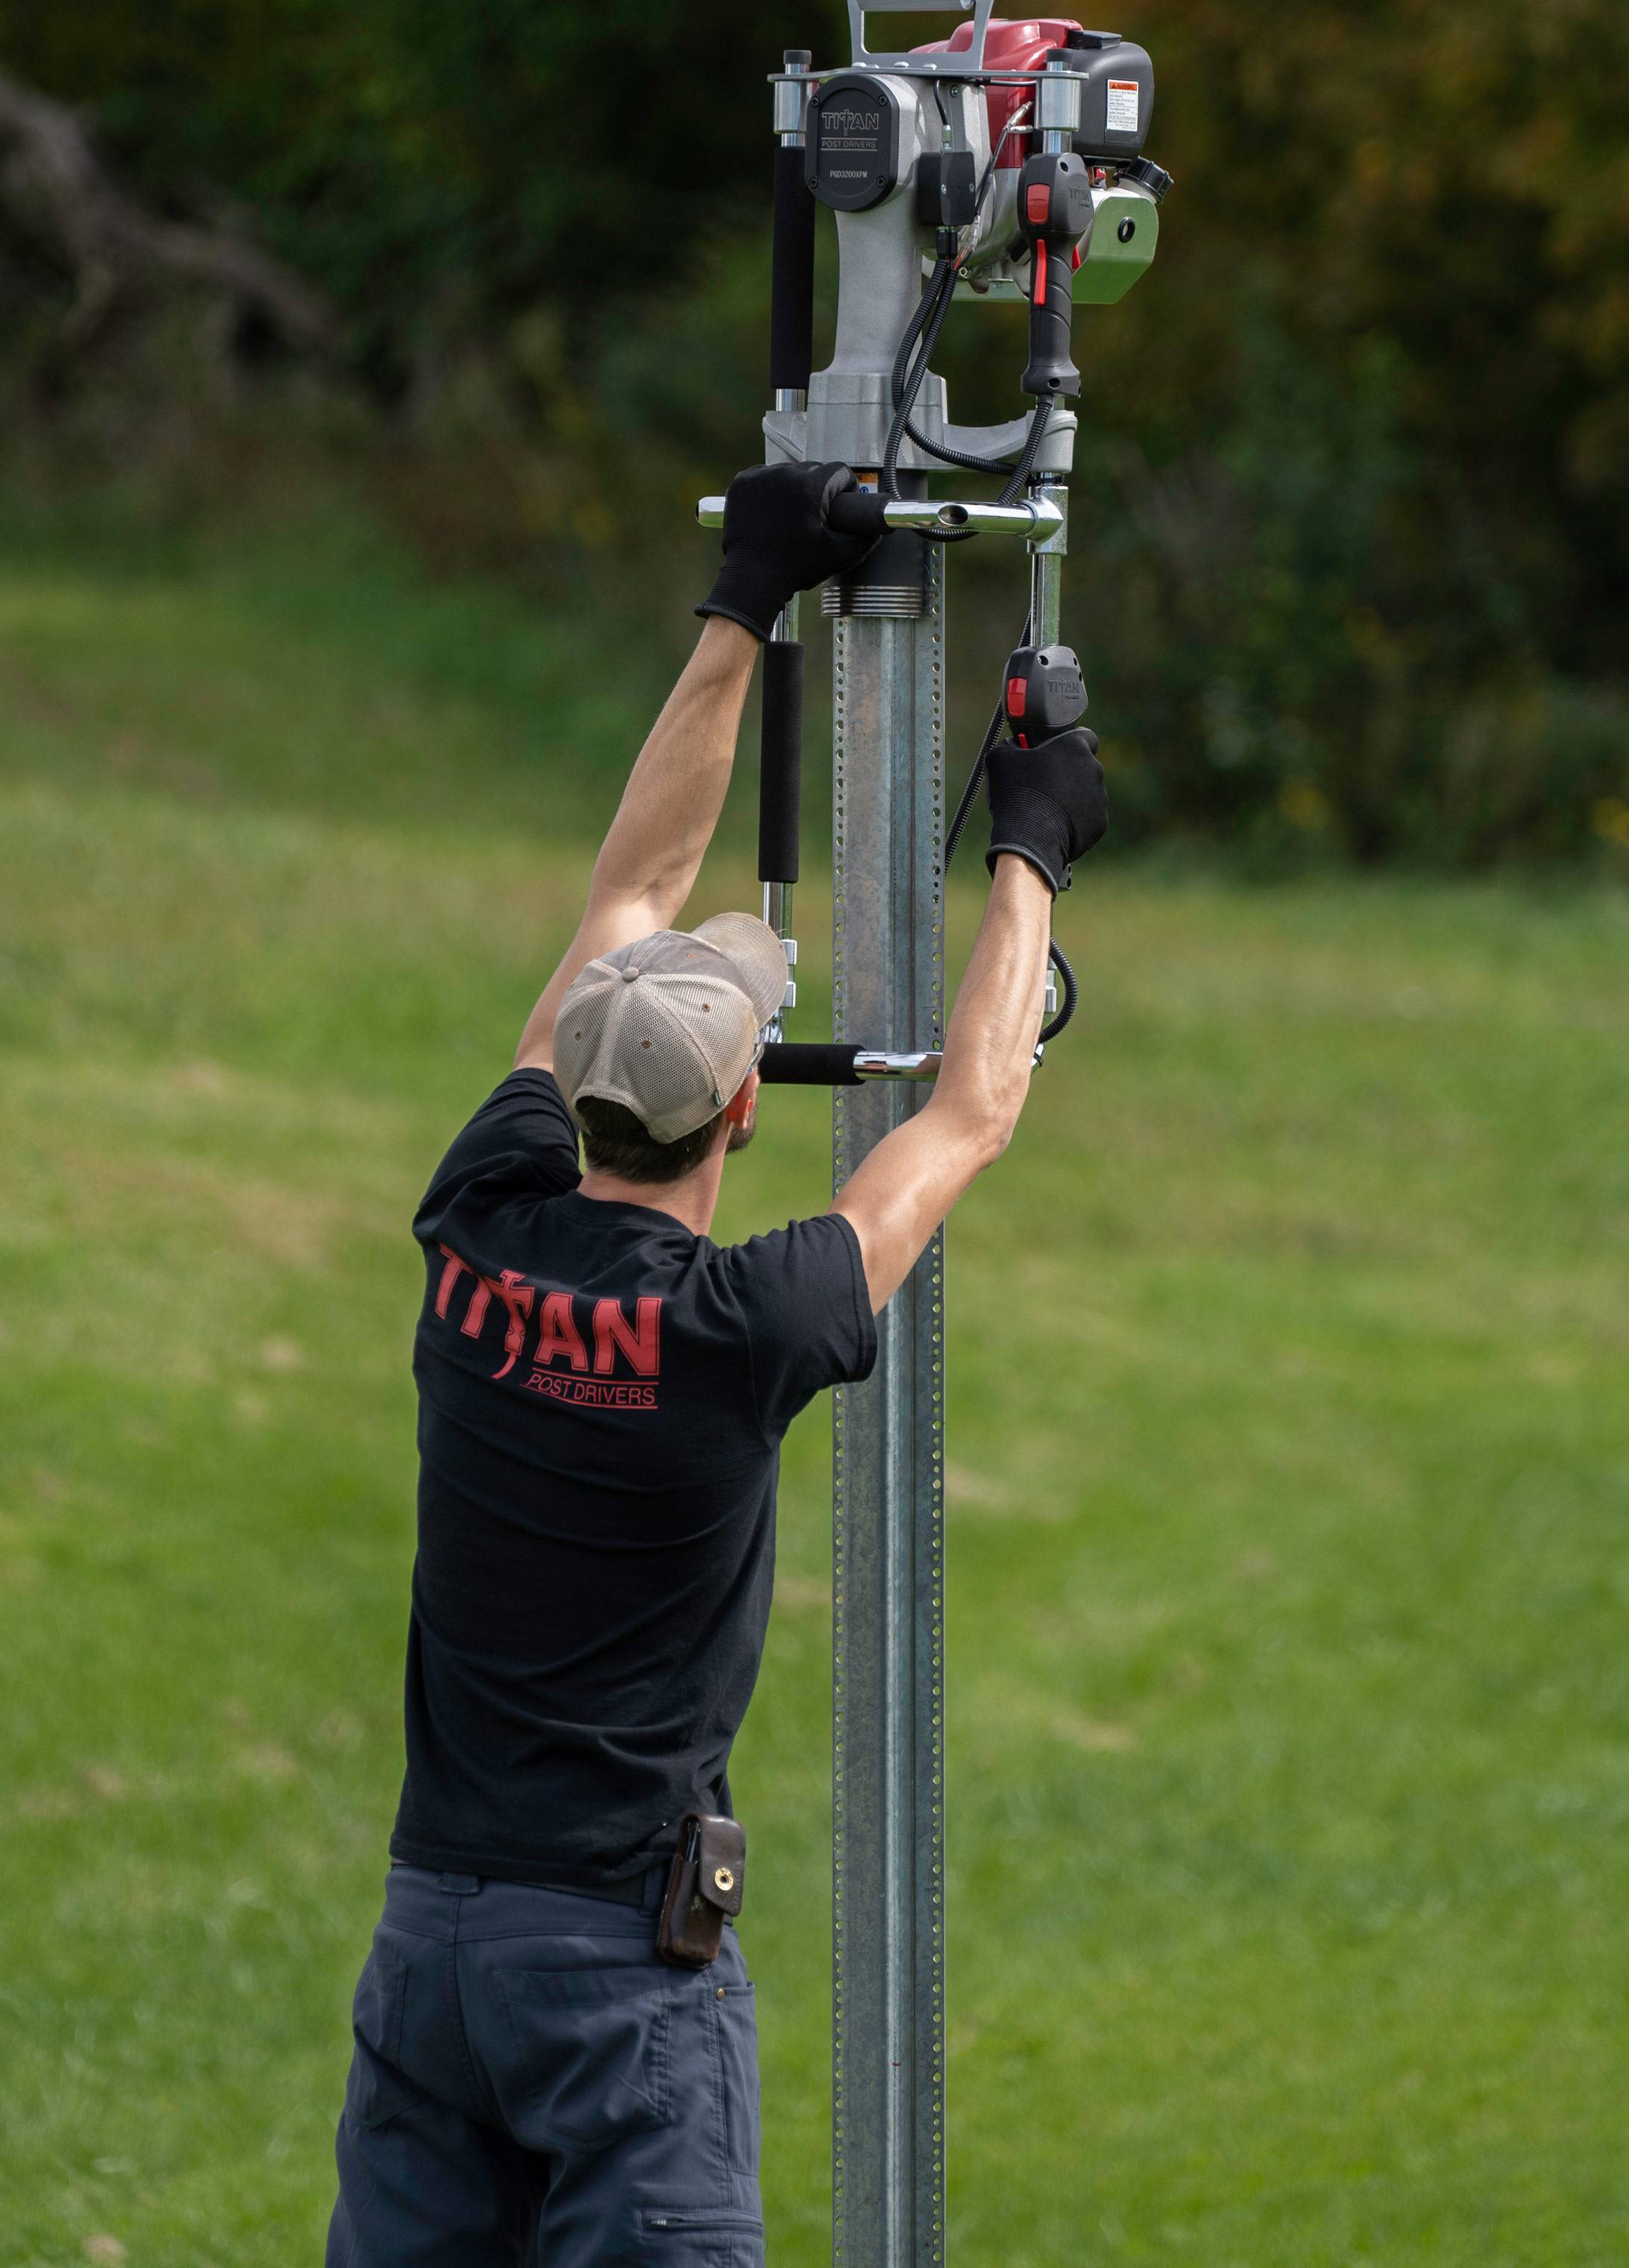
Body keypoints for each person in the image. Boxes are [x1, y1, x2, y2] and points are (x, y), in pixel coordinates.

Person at [325, 461, 1108, 2267]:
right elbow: (973, 1110)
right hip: (618, 1978)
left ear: (576, 1082)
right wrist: (1036, 851)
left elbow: (631, 888)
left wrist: (745, 596)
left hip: (432, 1947)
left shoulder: (482, 1220)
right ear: (745, 1108)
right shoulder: (741, 1330)